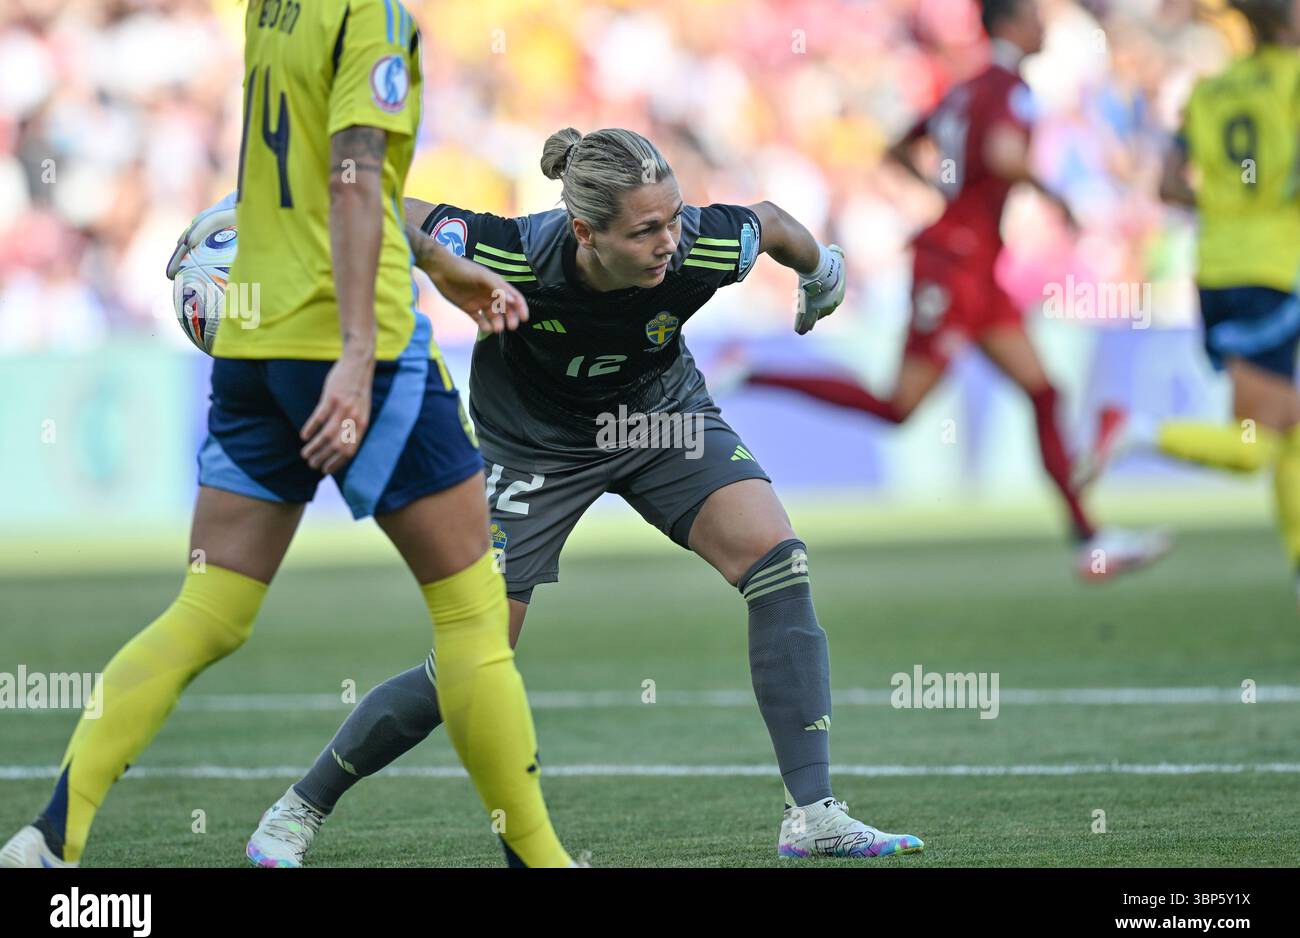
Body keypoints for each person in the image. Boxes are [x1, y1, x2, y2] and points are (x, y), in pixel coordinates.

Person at [245, 126, 925, 865]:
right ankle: (301, 805)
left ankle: (814, 814)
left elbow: (774, 224)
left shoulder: (701, 241)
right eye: (646, 230)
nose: (671, 241)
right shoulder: (506, 249)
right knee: (472, 658)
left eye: (673, 217)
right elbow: (379, 206)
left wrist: (823, 271)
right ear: (584, 233)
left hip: (657, 417)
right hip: (534, 444)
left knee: (778, 561)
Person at [0, 0, 574, 869]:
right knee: (470, 607)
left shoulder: (277, 10)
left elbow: (312, 174)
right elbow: (350, 175)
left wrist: (440, 257)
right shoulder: (371, 19)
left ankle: (51, 835)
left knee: (209, 608)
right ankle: (539, 860)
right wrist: (352, 352)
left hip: (252, 338)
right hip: (352, 335)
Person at [733, 0, 1171, 581]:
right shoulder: (1011, 87)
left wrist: (948, 199)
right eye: (1036, 16)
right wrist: (1055, 196)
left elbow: (898, 148)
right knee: (902, 407)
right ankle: (751, 371)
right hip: (955, 267)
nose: (1044, 25)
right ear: (1011, 24)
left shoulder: (966, 89)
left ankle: (1090, 541)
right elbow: (1003, 155)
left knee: (1043, 392)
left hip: (975, 266)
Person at [1154, 0, 1300, 600]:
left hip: (1216, 267)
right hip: (1272, 268)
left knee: (1289, 426)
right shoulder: (1291, 79)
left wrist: (1225, 207)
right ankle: (1136, 431)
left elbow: (1166, 184)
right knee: (1258, 440)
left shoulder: (1206, 90)